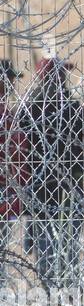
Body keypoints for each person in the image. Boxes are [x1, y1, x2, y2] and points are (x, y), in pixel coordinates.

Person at [18, 58, 84, 285]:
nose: (64, 80)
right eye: (61, 75)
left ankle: (50, 281)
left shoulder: (30, 104)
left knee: (46, 230)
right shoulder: (63, 106)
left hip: (41, 182)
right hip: (63, 180)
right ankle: (62, 282)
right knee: (64, 234)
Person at [0, 61, 28, 270]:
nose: (12, 84)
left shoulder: (6, 111)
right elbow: (14, 155)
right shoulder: (4, 114)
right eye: (10, 79)